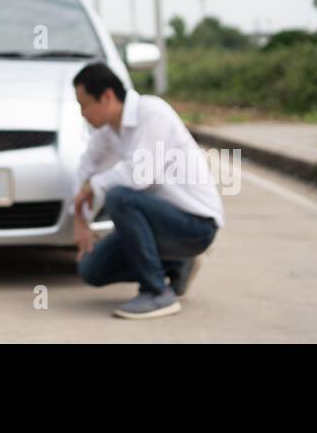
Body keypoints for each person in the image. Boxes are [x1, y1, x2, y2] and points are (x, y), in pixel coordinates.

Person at [69, 62, 224, 319]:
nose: (83, 113)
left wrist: (94, 186)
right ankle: (177, 266)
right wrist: (79, 217)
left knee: (120, 197)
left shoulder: (152, 113)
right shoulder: (109, 130)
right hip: (162, 225)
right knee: (91, 269)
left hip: (196, 226)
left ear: (107, 96)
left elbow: (139, 176)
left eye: (84, 105)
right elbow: (87, 167)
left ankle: (156, 293)